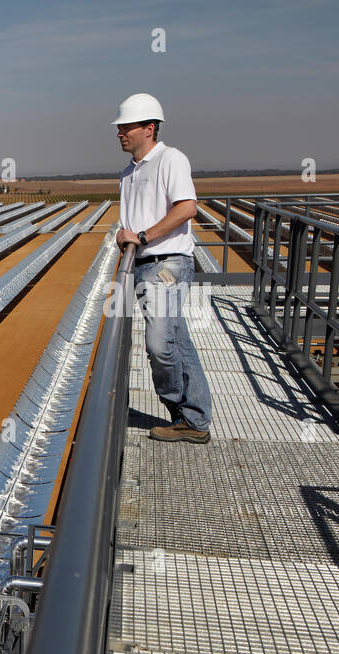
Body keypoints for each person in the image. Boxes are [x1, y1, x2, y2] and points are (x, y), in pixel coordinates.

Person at [113, 93, 213, 443]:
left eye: (127, 126)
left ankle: (180, 411)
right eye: (120, 126)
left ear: (149, 128)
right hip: (142, 265)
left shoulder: (171, 159)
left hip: (168, 263)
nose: (120, 132)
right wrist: (125, 240)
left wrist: (142, 235)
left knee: (159, 343)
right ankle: (195, 419)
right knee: (176, 339)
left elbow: (187, 208)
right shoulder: (128, 173)